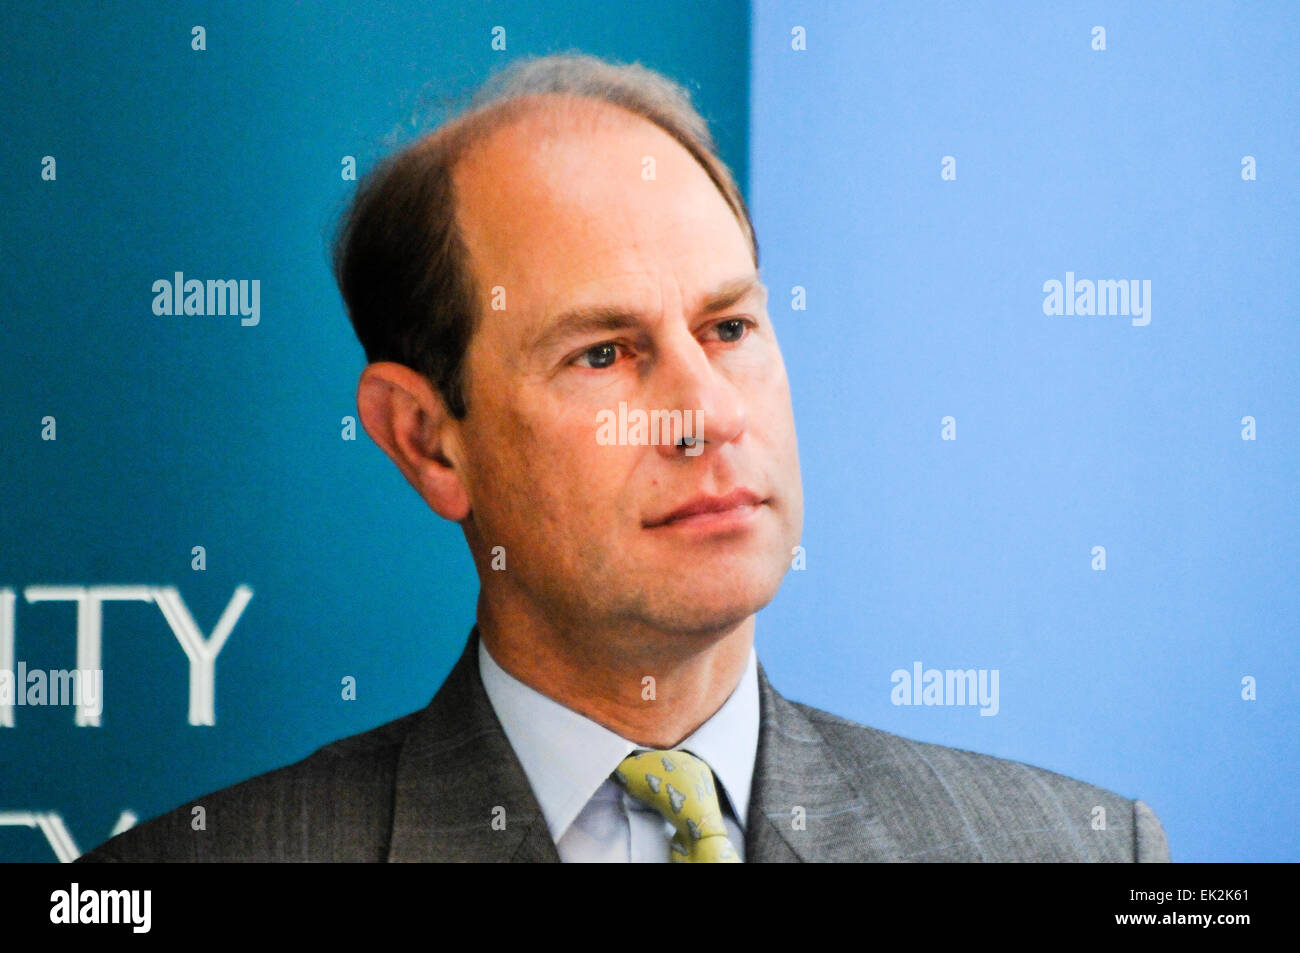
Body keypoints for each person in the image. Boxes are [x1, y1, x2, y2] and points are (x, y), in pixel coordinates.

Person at [78, 53, 1169, 863]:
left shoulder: (1077, 848)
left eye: (730, 328)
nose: (707, 414)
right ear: (427, 438)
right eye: (605, 353)